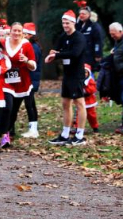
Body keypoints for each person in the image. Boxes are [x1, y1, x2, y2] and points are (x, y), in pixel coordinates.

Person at [45, 10, 89, 146]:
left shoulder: (79, 37)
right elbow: (56, 50)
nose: (65, 25)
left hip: (77, 74)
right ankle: (65, 134)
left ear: (74, 23)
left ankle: (80, 135)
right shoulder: (63, 36)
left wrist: (57, 55)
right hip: (67, 74)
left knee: (79, 103)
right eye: (63, 23)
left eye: (67, 23)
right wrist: (52, 54)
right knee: (65, 103)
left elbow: (75, 54)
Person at [0, 22, 37, 148]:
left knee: (14, 109)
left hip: (21, 82)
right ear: (10, 31)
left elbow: (33, 65)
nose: (16, 33)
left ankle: (9, 130)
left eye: (19, 31)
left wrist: (26, 60)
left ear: (23, 33)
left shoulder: (26, 45)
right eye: (14, 30)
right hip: (5, 81)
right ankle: (5, 134)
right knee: (7, 107)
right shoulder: (3, 42)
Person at [20, 22, 42, 138]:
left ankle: (33, 129)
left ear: (29, 35)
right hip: (31, 79)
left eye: (24, 33)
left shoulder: (33, 48)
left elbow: (32, 64)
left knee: (30, 104)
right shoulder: (33, 46)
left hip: (31, 80)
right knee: (30, 103)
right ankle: (33, 128)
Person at [75, 1, 105, 70]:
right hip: (81, 54)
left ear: (89, 15)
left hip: (90, 55)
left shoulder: (94, 26)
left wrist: (98, 54)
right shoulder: (78, 26)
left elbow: (98, 41)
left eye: (83, 14)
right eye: (80, 14)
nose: (81, 15)